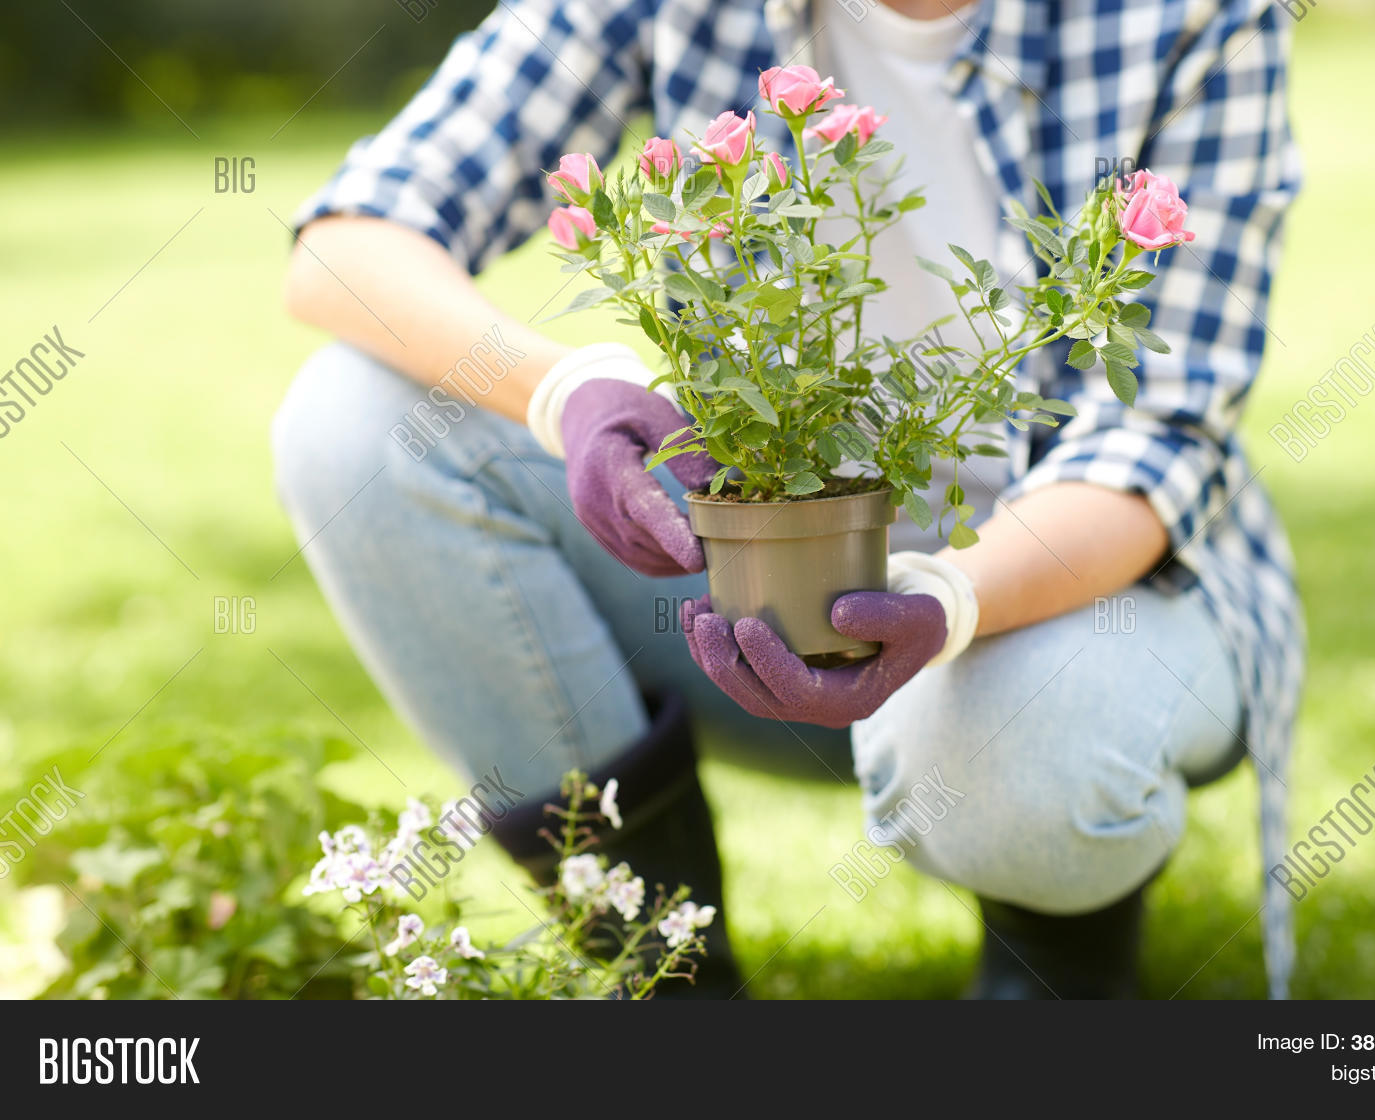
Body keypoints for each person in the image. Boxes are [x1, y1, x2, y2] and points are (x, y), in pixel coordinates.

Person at [275, 0, 1304, 999]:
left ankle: (1056, 962)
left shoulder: (1194, 12)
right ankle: (668, 974)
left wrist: (948, 600)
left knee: (1029, 751)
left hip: (1077, 593)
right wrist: (566, 392)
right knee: (351, 421)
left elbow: (1158, 432)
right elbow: (348, 241)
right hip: (756, 595)